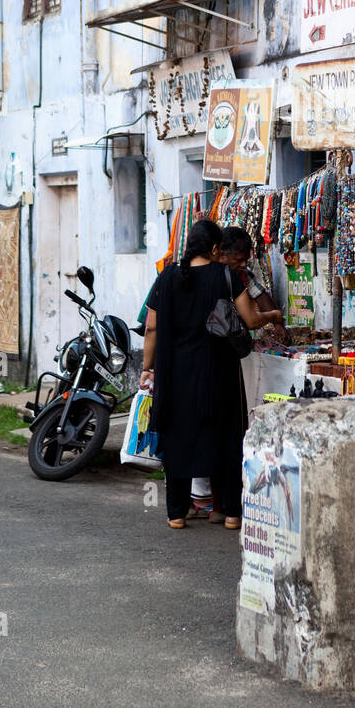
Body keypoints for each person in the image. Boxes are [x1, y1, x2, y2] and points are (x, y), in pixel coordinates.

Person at [141, 218, 283, 529]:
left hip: (176, 376)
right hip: (219, 374)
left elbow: (151, 327)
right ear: (216, 248)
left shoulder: (165, 278)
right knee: (225, 437)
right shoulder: (226, 276)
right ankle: (231, 513)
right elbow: (249, 319)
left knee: (178, 438)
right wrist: (272, 315)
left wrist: (146, 368)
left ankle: (177, 513)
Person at [220, 226, 290, 345]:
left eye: (246, 260)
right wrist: (274, 316)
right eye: (239, 260)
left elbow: (260, 296)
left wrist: (278, 324)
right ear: (222, 254)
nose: (243, 265)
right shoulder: (214, 275)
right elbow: (251, 321)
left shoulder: (242, 274)